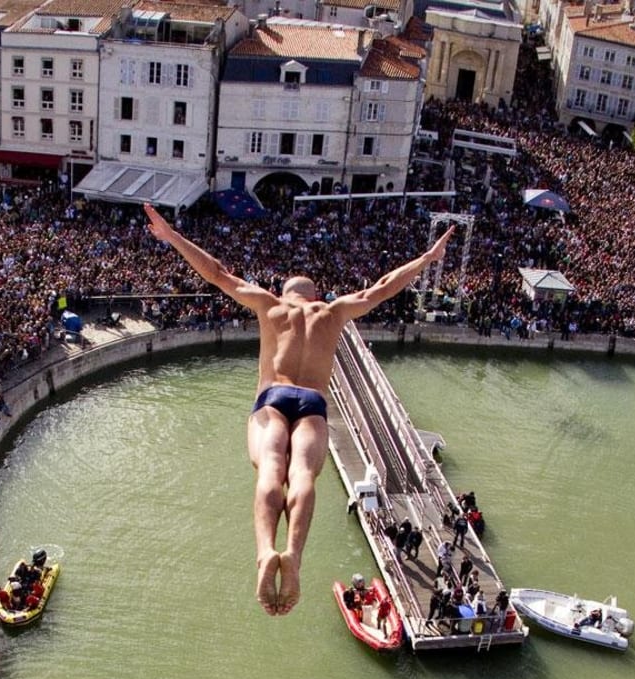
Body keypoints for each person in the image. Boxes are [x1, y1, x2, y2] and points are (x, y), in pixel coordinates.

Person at [144, 203, 453, 614]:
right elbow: (381, 288)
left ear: (286, 292)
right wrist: (427, 259)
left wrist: (173, 238)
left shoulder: (269, 305)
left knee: (271, 467)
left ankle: (264, 552)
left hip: (273, 398)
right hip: (313, 403)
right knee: (303, 473)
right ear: (314, 294)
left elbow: (217, 272)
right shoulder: (332, 311)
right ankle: (293, 554)